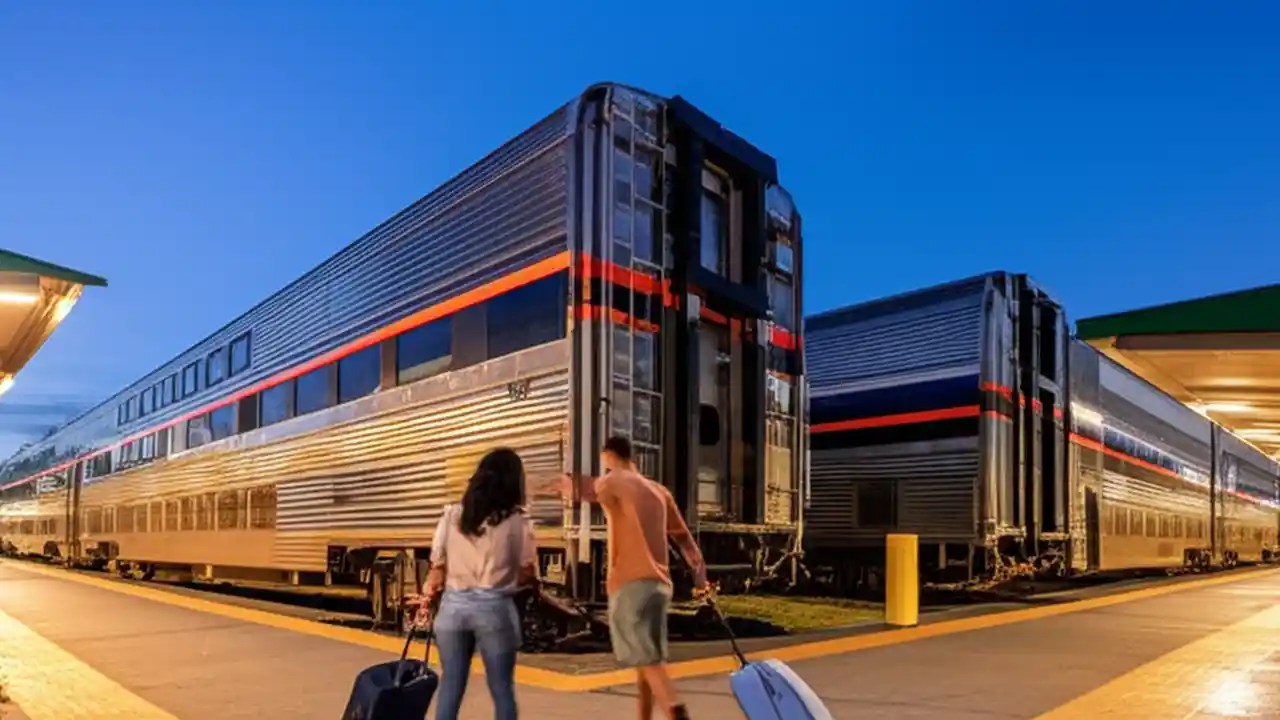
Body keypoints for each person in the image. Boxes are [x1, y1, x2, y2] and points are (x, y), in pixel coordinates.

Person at [570, 436, 710, 720]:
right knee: (647, 661)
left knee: (646, 659)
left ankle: (674, 709)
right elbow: (684, 541)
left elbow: (578, 488)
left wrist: (542, 484)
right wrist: (700, 580)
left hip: (629, 585)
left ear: (607, 456)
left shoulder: (613, 481)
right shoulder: (659, 491)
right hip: (659, 587)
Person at [413, 447, 538, 720]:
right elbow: (527, 571)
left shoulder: (453, 515)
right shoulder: (518, 520)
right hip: (495, 609)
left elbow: (437, 567)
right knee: (502, 690)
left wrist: (428, 596)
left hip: (452, 611)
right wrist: (507, 578)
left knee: (451, 686)